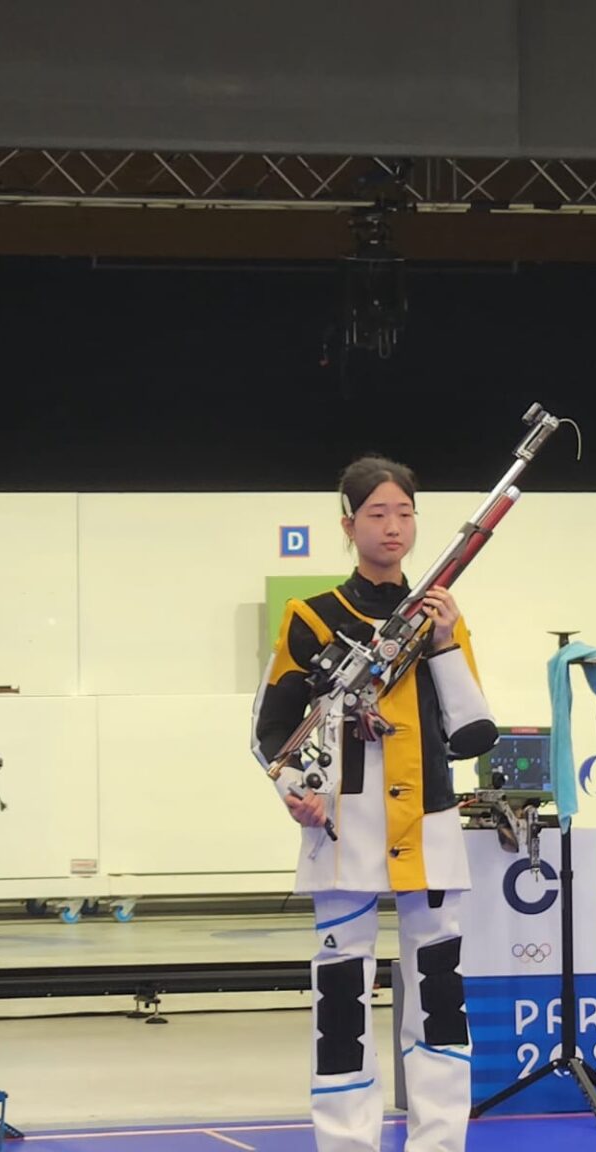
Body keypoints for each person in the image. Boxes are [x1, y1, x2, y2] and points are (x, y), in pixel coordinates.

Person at [252, 455, 497, 1152]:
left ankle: (440, 1140)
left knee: (440, 995)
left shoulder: (441, 613)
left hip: (431, 825)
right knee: (341, 1001)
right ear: (348, 524)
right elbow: (271, 728)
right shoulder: (311, 616)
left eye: (405, 512)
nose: (393, 527)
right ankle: (344, 1141)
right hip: (343, 827)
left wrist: (445, 641)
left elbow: (474, 729)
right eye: (377, 514)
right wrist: (296, 790)